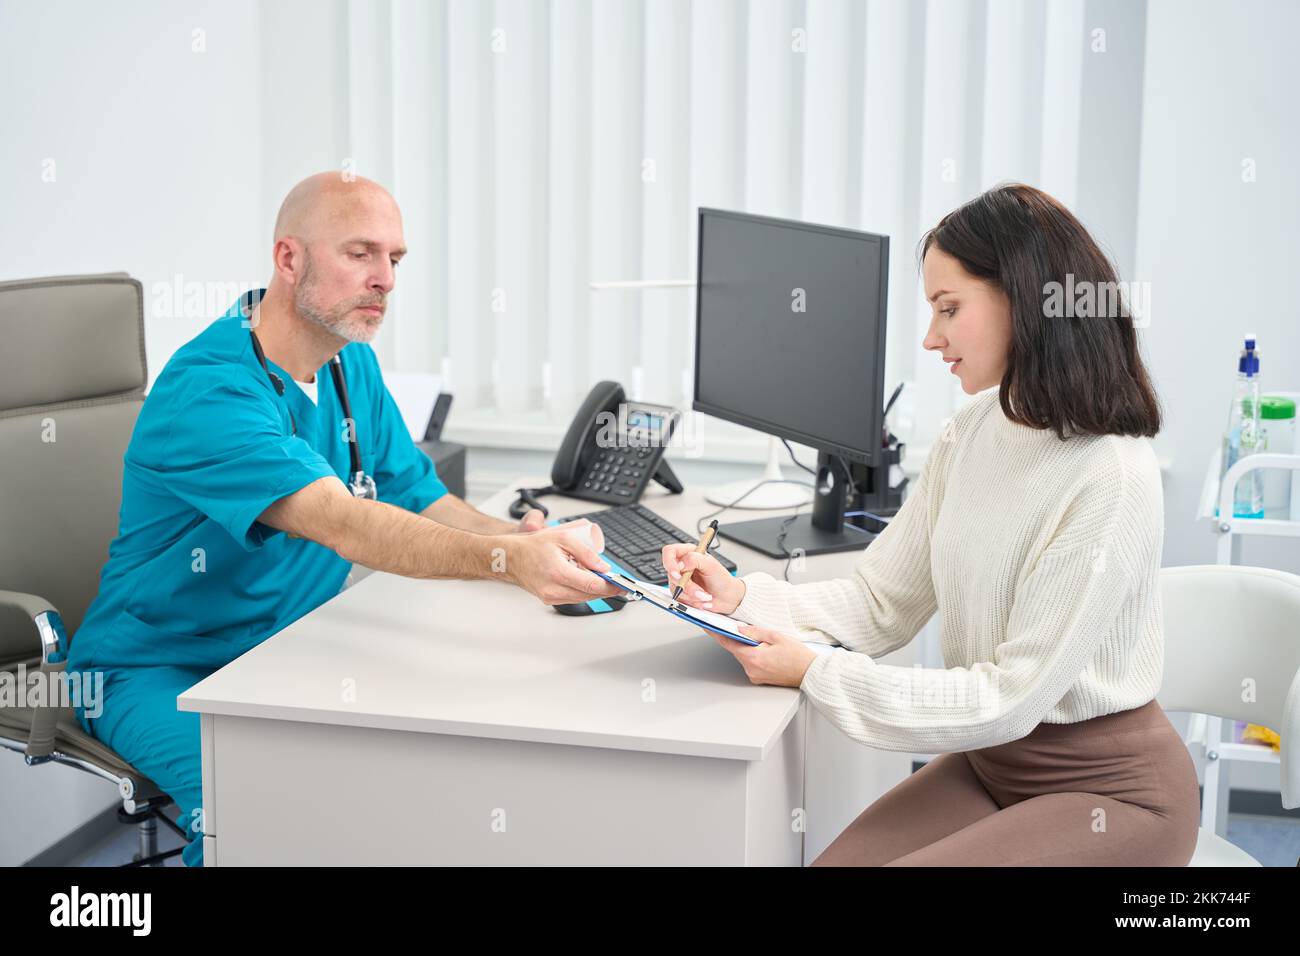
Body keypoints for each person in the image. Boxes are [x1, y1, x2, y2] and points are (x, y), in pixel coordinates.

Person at [66, 171, 621, 867]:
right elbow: (343, 522)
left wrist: (524, 538)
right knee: (254, 820)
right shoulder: (210, 390)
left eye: (395, 259)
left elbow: (420, 496)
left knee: (425, 772)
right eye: (361, 254)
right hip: (159, 667)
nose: (385, 278)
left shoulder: (346, 364)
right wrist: (510, 567)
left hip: (288, 651)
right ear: (289, 258)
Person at [662, 182, 1200, 866]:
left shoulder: (1111, 477)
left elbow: (1008, 698)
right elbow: (882, 601)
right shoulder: (972, 430)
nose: (930, 337)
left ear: (1028, 303)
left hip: (1112, 794)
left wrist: (814, 670)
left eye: (950, 308)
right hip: (993, 763)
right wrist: (743, 597)